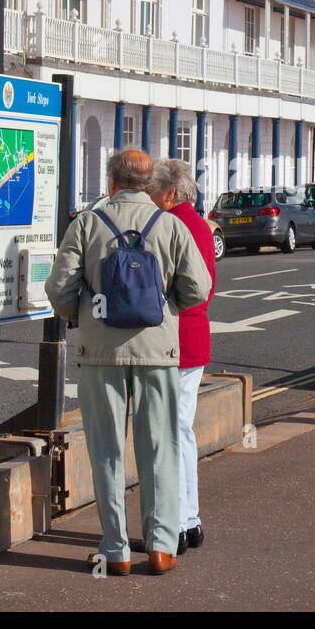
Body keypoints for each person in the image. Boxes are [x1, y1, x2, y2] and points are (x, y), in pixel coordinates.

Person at [45, 150, 211, 576]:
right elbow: (198, 289)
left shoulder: (86, 223)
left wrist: (83, 313)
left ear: (112, 183)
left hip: (101, 354)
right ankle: (159, 547)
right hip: (158, 353)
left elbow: (60, 290)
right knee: (161, 446)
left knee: (106, 449)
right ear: (147, 182)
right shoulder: (170, 224)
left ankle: (116, 550)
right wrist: (165, 306)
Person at [146, 158, 214, 556]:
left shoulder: (172, 224)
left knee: (169, 433)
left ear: (170, 193)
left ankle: (177, 524)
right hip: (194, 338)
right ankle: (189, 520)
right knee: (180, 431)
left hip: (175, 339)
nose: (150, 199)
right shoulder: (200, 225)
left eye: (153, 192)